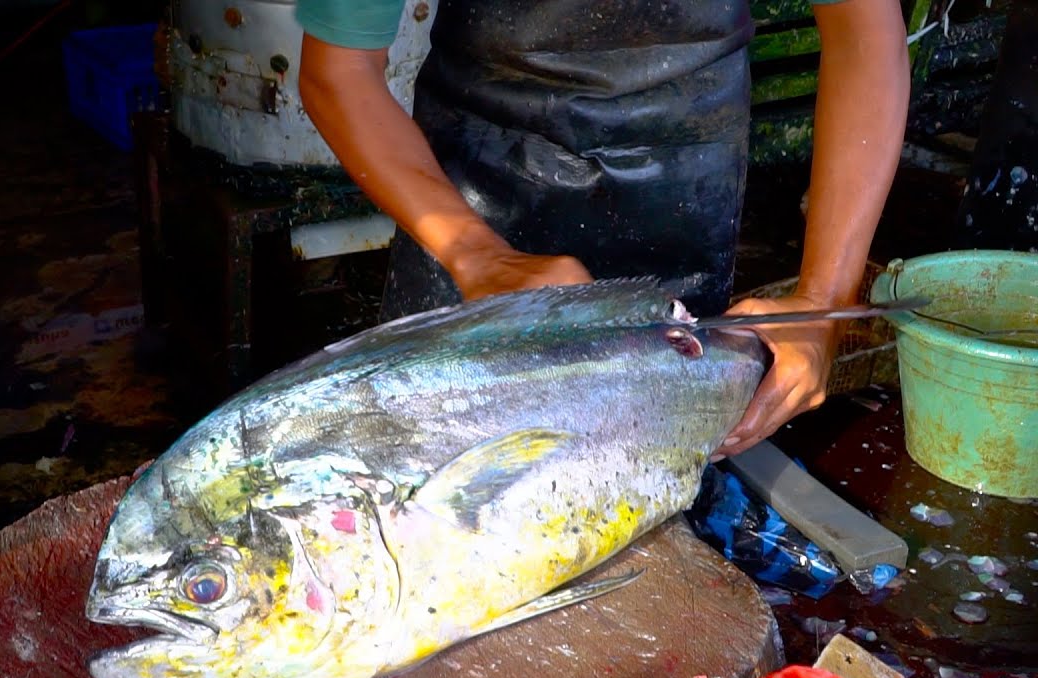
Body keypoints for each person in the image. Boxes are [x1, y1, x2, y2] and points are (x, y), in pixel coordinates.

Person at [295, 0, 910, 457]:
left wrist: (824, 299)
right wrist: (475, 253)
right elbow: (339, 72)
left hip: (686, 191)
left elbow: (865, 34)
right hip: (477, 193)